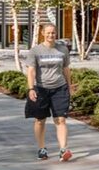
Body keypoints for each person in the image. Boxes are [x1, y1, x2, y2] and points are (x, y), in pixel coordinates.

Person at [24, 23, 75, 162]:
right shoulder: (36, 51)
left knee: (61, 119)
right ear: (42, 33)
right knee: (40, 120)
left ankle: (63, 149)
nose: (51, 35)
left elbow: (66, 69)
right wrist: (31, 88)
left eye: (53, 32)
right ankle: (42, 149)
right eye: (48, 33)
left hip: (60, 87)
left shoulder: (62, 49)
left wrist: (69, 86)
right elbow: (31, 71)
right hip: (41, 88)